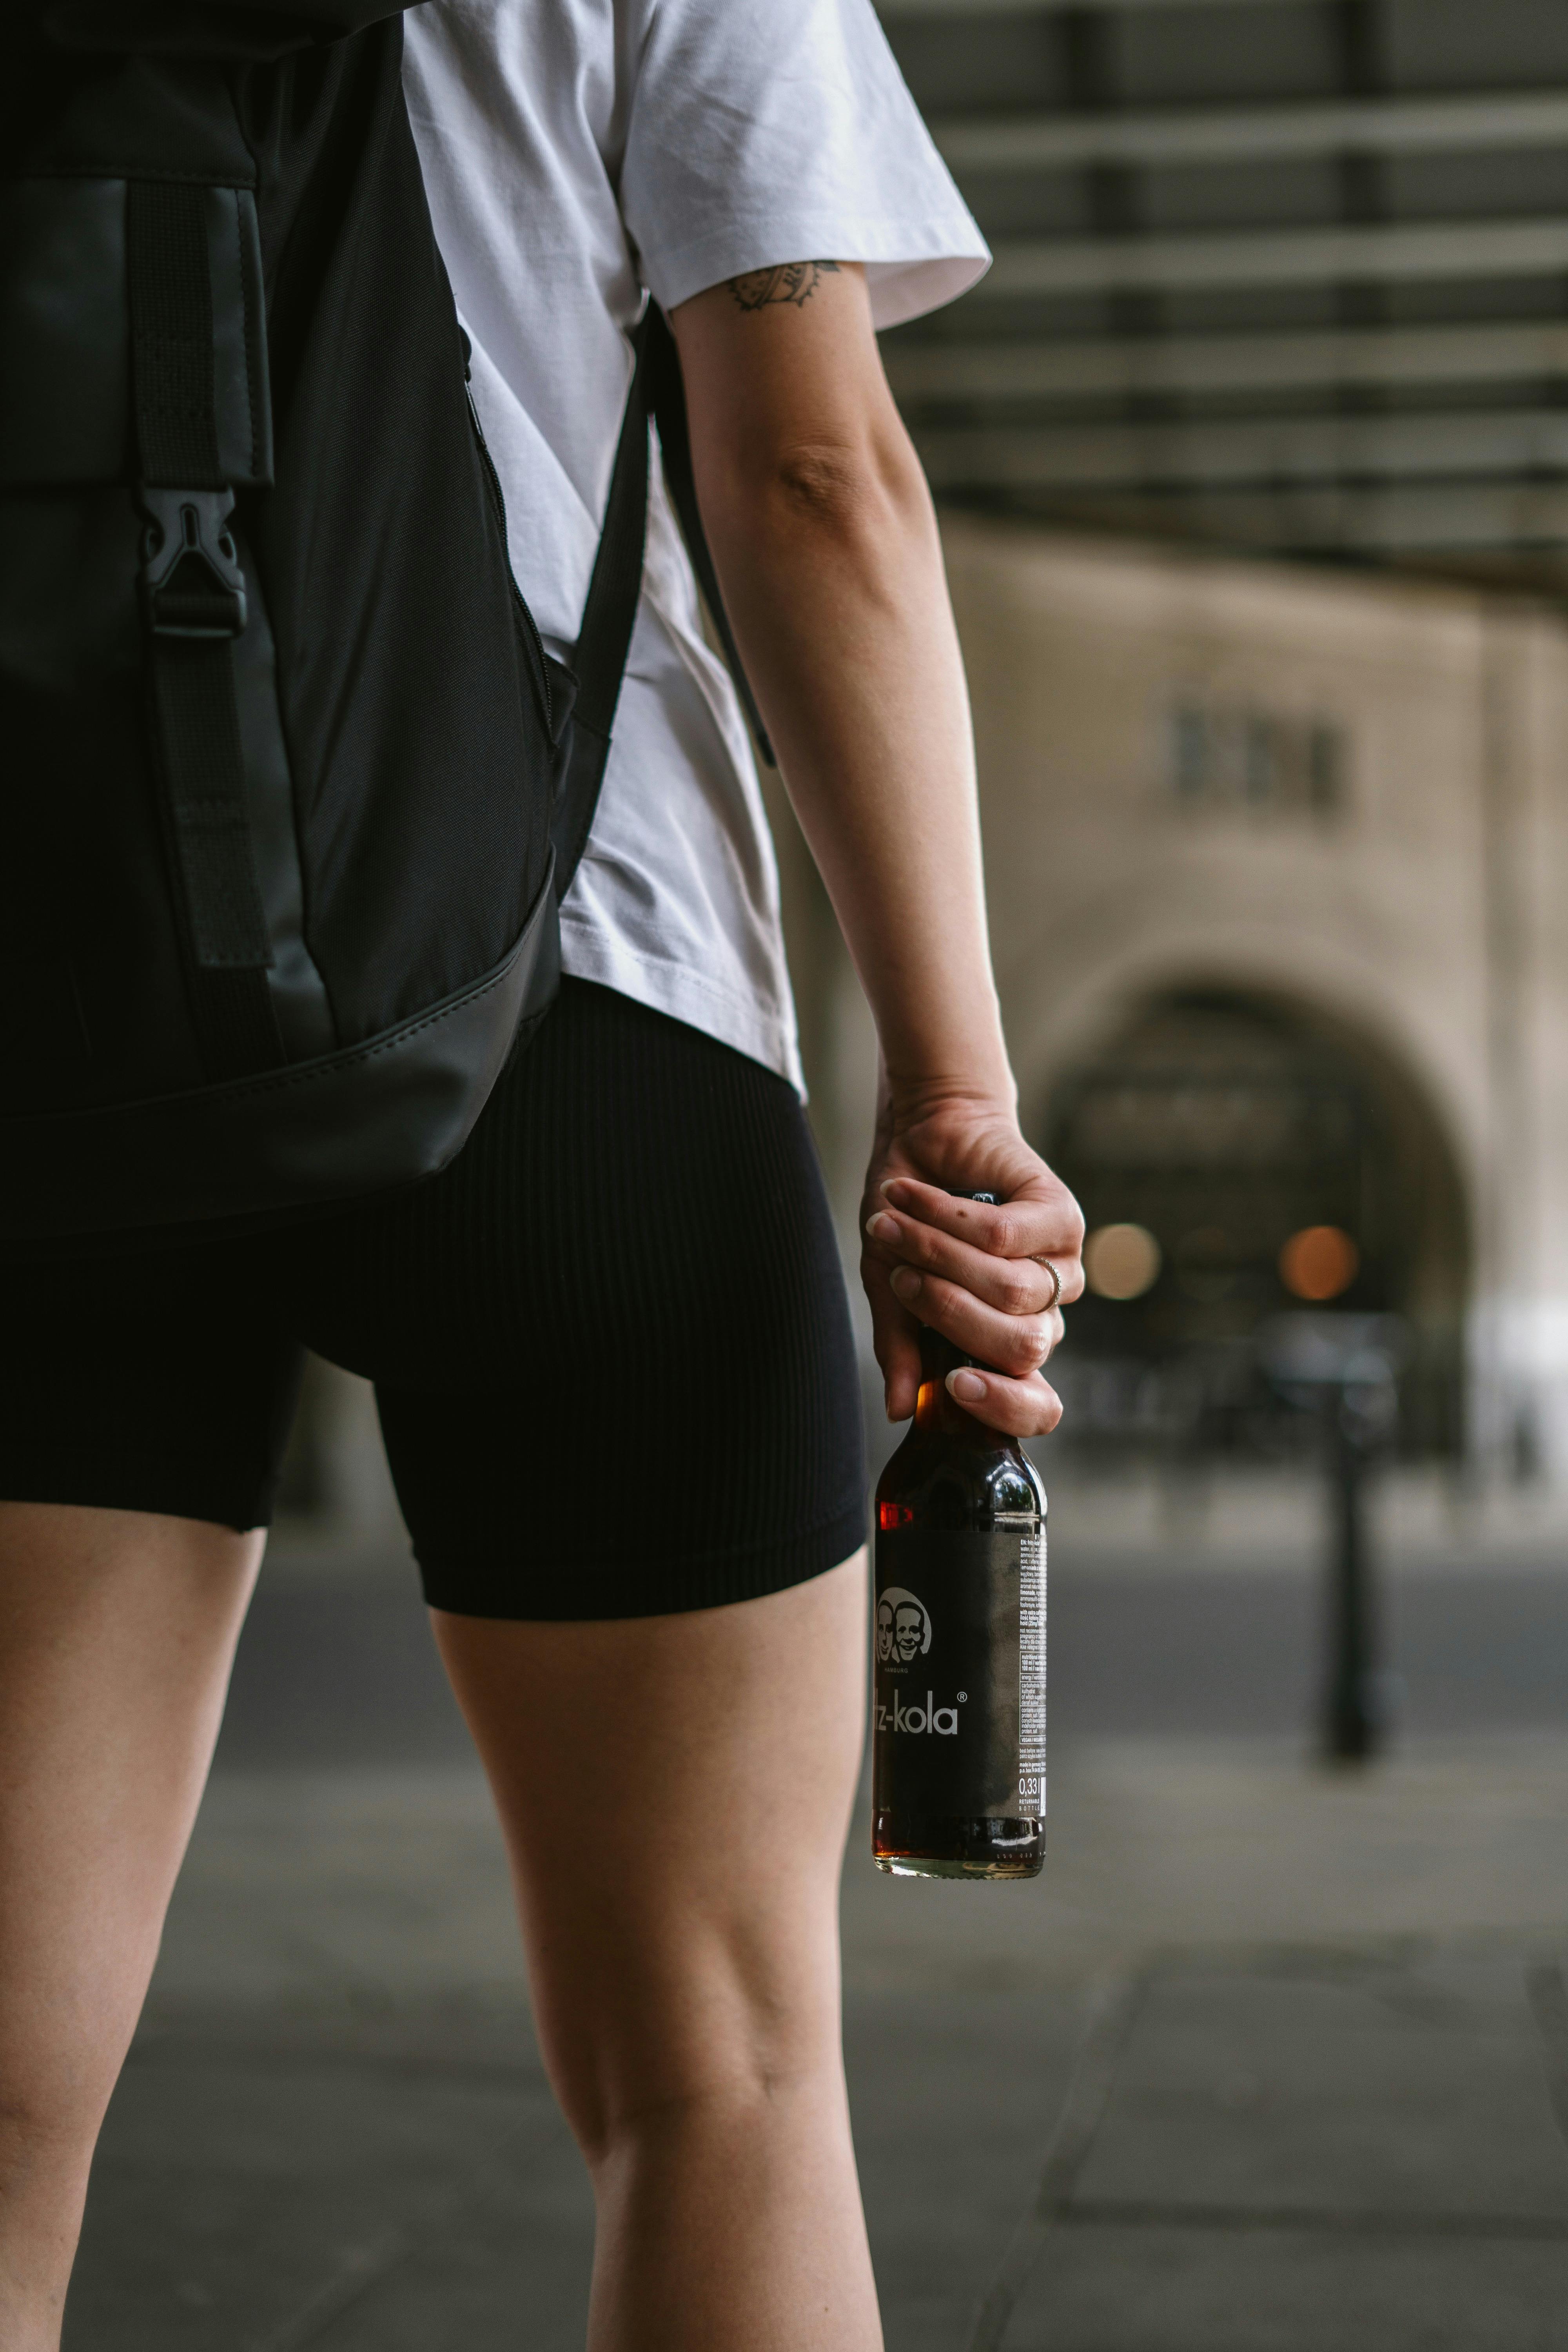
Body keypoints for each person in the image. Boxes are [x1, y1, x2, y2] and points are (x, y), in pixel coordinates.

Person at [0, 0, 1085, 2345]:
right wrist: (951, 1093)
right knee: (721, 2074)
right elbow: (816, 477)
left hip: (49, 1025)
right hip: (575, 1006)